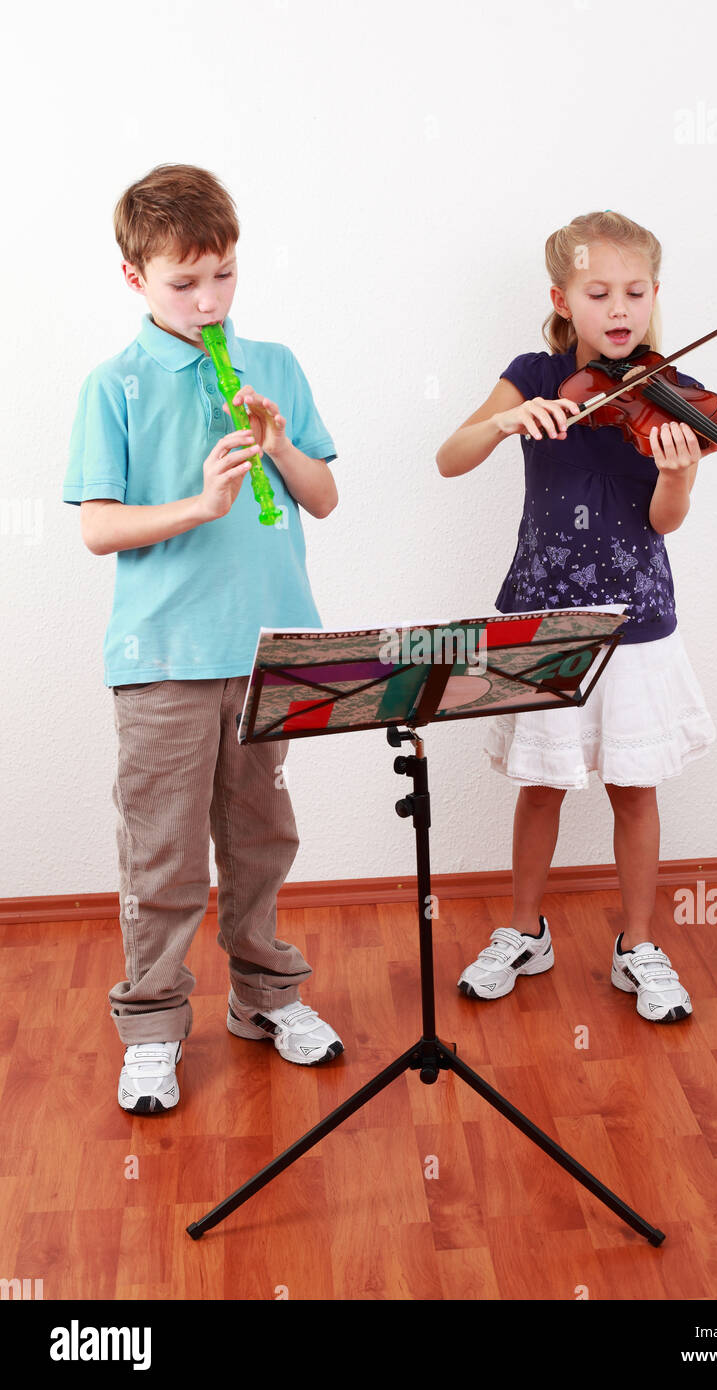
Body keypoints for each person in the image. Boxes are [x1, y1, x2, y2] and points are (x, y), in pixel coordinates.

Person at [63, 164, 343, 1114]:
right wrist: (202, 503)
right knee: (164, 854)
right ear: (134, 277)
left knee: (263, 838)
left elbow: (324, 497)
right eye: (185, 283)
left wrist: (278, 442)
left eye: (223, 274)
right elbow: (100, 526)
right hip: (164, 660)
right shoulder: (118, 385)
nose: (210, 301)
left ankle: (267, 1001)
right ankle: (151, 1025)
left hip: (270, 651)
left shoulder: (275, 364)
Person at [436, 210, 717, 1024]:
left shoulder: (669, 393)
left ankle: (638, 945)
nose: (620, 307)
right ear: (563, 297)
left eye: (635, 291)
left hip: (637, 614)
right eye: (600, 292)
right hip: (546, 610)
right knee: (541, 786)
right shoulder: (533, 371)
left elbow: (665, 522)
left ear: (654, 294)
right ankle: (525, 931)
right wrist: (503, 420)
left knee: (635, 786)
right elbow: (450, 457)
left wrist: (678, 477)